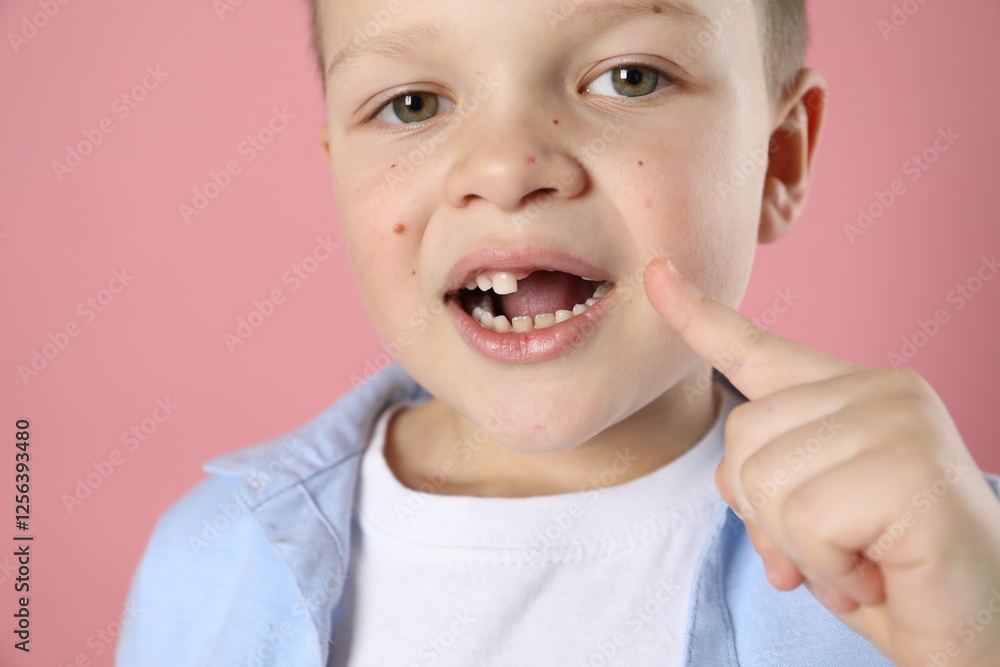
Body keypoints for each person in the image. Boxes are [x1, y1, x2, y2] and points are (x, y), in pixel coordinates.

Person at [116, 0, 1000, 665]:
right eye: (414, 103)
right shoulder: (211, 560)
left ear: (777, 157)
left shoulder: (949, 558)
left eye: (630, 78)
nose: (505, 167)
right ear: (340, 178)